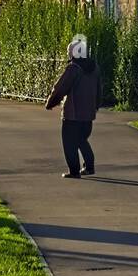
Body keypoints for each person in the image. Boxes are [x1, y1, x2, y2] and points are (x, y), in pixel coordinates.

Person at [44, 38, 101, 178]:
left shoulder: (73, 68)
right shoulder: (95, 68)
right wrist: (95, 106)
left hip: (73, 113)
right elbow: (99, 89)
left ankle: (74, 171)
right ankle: (89, 167)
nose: (68, 54)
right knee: (81, 140)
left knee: (69, 143)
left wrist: (50, 103)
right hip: (88, 113)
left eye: (69, 51)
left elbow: (60, 88)